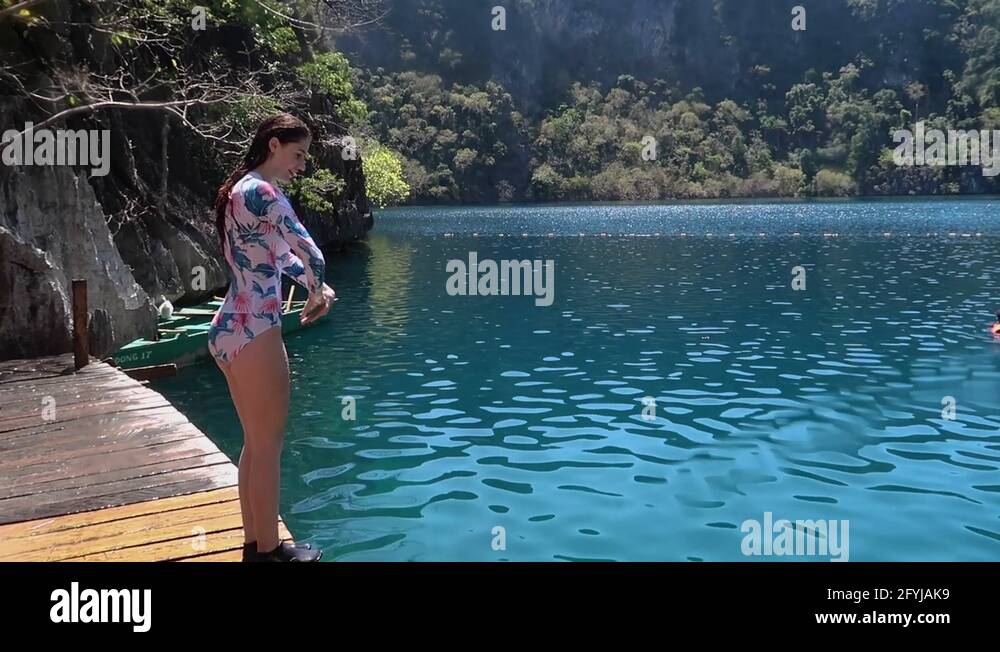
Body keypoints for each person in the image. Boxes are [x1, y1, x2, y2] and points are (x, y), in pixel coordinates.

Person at [210, 113, 337, 562]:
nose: (302, 164)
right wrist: (318, 288)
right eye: (298, 153)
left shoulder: (238, 190)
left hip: (228, 327)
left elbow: (275, 258)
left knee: (254, 443)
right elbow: (309, 249)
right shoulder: (264, 191)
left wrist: (311, 284)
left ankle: (254, 543)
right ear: (274, 145)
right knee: (270, 444)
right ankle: (270, 552)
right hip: (258, 328)